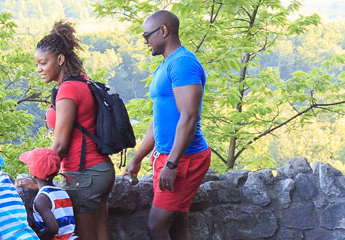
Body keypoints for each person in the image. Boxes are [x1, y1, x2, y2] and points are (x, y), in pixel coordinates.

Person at [121, 10, 213, 240]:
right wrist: (137, 158)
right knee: (177, 227)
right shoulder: (166, 65)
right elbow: (159, 120)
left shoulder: (183, 64)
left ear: (164, 31)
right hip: (168, 157)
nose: (146, 42)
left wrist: (172, 164)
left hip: (183, 158)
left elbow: (189, 117)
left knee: (156, 227)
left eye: (147, 36)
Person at [33, 19, 115, 240]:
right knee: (101, 232)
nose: (39, 69)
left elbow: (60, 144)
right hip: (101, 170)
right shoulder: (82, 81)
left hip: (84, 174)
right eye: (37, 64)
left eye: (43, 63)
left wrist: (38, 176)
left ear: (60, 59)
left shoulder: (68, 90)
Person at [17, 148, 77, 240]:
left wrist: (36, 237)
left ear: (33, 174)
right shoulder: (62, 192)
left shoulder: (41, 199)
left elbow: (52, 229)